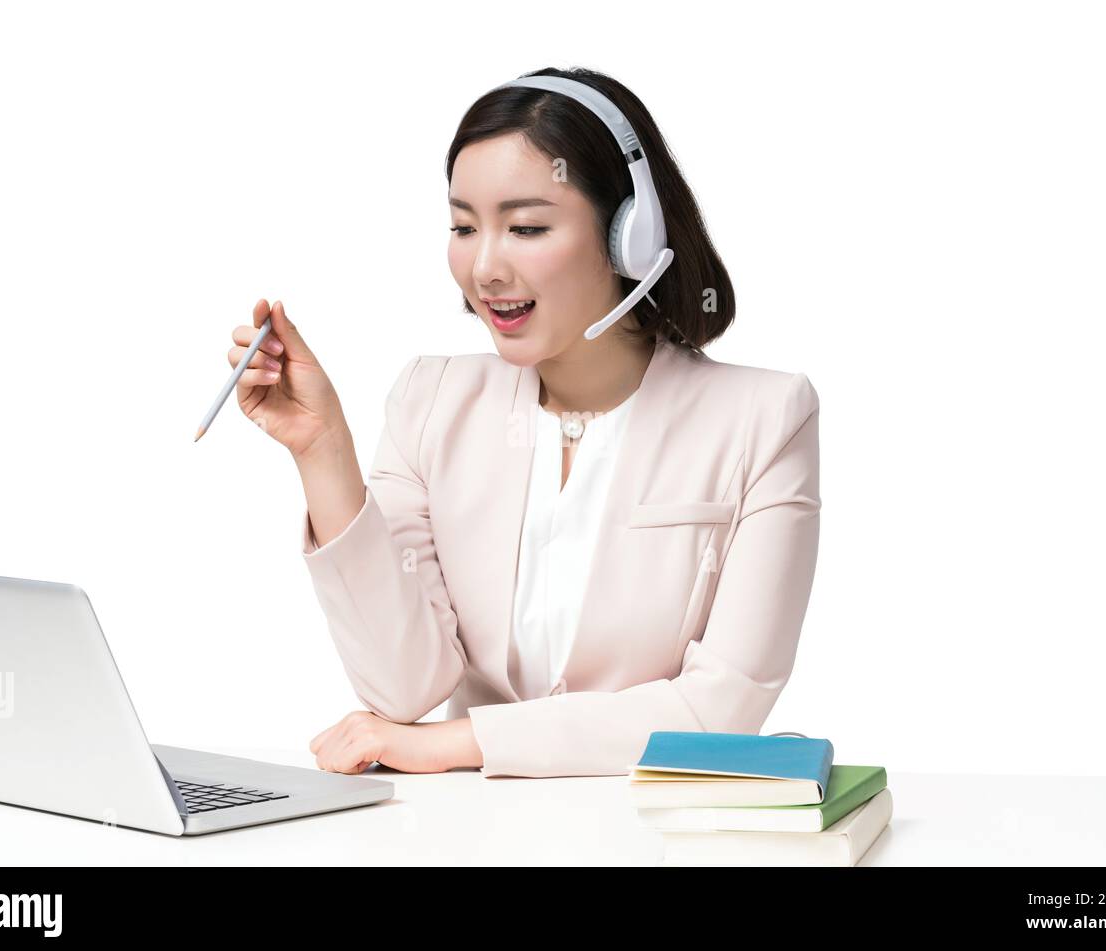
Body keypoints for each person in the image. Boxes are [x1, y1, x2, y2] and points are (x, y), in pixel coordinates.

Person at [221, 67, 821, 778]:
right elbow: (403, 687)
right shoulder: (430, 400)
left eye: (527, 227)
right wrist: (323, 451)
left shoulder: (764, 419)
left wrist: (454, 744)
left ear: (632, 235)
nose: (483, 267)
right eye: (463, 227)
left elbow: (721, 711)